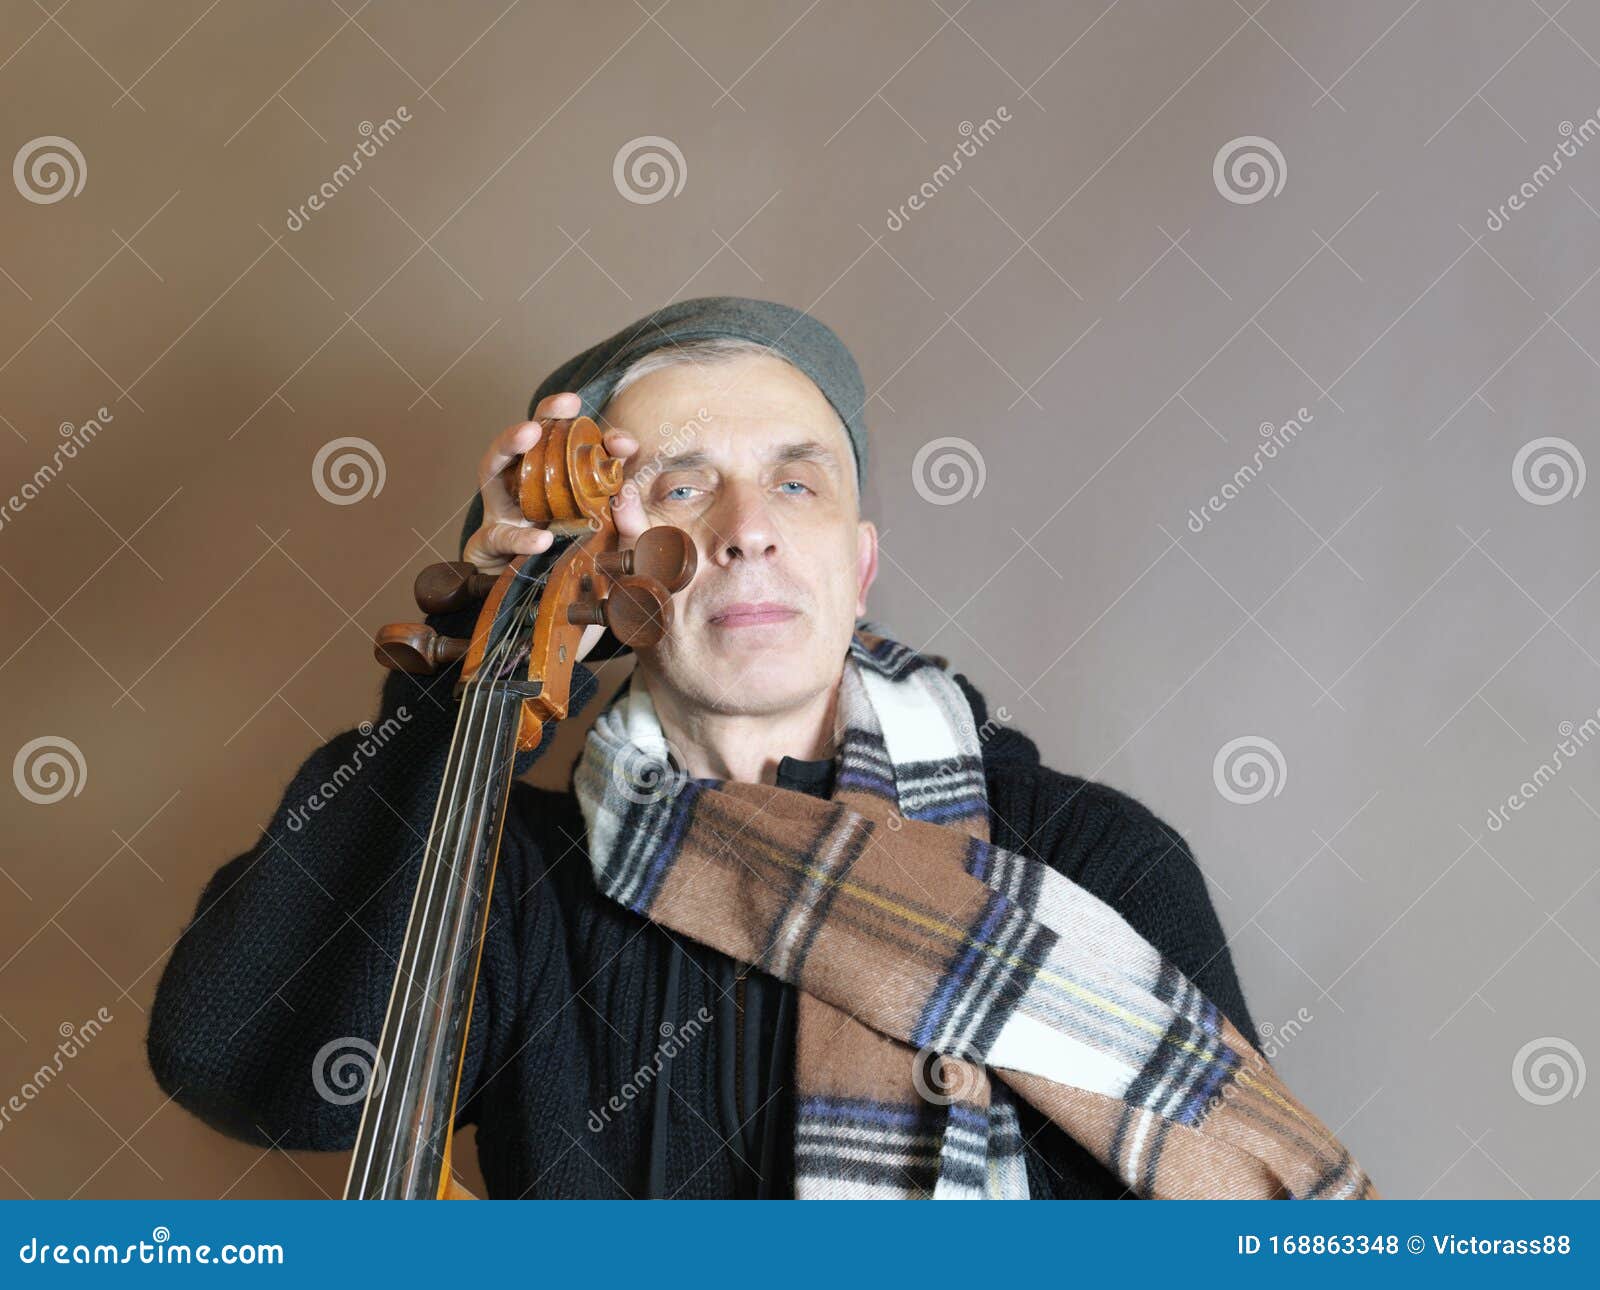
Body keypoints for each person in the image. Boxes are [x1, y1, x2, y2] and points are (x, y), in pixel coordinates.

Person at [147, 296, 1283, 1199]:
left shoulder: (1091, 860)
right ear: (603, 563)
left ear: (860, 561)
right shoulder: (517, 886)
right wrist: (467, 669)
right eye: (681, 485)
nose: (746, 529)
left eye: (797, 482)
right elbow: (246, 1067)